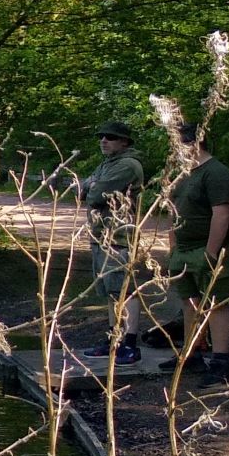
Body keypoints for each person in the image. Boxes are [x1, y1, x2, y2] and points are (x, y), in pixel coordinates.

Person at [160, 122, 229, 384]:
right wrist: (173, 248)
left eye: (177, 144)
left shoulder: (216, 173)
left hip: (211, 248)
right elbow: (173, 212)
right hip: (183, 249)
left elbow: (222, 215)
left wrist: (211, 253)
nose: (174, 150)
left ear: (194, 143)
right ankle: (191, 354)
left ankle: (221, 363)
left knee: (216, 303)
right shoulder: (182, 174)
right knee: (190, 302)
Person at [78, 121, 147, 366]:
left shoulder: (127, 165)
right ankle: (113, 340)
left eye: (110, 137)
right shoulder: (108, 163)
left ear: (124, 142)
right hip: (102, 236)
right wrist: (91, 186)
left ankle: (129, 344)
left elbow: (95, 195)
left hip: (119, 237)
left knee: (125, 291)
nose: (104, 140)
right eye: (102, 136)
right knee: (110, 292)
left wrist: (92, 186)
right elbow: (83, 189)